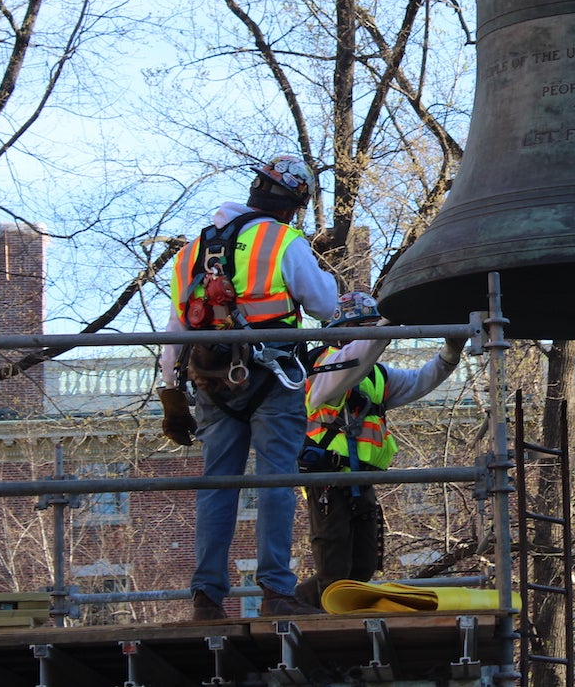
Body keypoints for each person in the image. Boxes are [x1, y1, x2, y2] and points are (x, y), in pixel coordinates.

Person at [158, 154, 338, 621]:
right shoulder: (281, 241)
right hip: (272, 379)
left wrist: (170, 395)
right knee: (276, 481)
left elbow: (175, 331)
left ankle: (206, 598)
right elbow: (324, 306)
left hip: (211, 385)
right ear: (293, 203)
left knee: (218, 487)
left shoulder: (191, 252)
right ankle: (276, 594)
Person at [293, 291, 468, 608]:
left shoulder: (376, 375)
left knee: (362, 566)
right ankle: (307, 609)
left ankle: (313, 604)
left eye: (375, 327)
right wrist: (388, 322)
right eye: (368, 327)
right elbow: (355, 359)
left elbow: (418, 381)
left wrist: (449, 356)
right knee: (335, 567)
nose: (376, 335)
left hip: (361, 481)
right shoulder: (324, 369)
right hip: (328, 479)